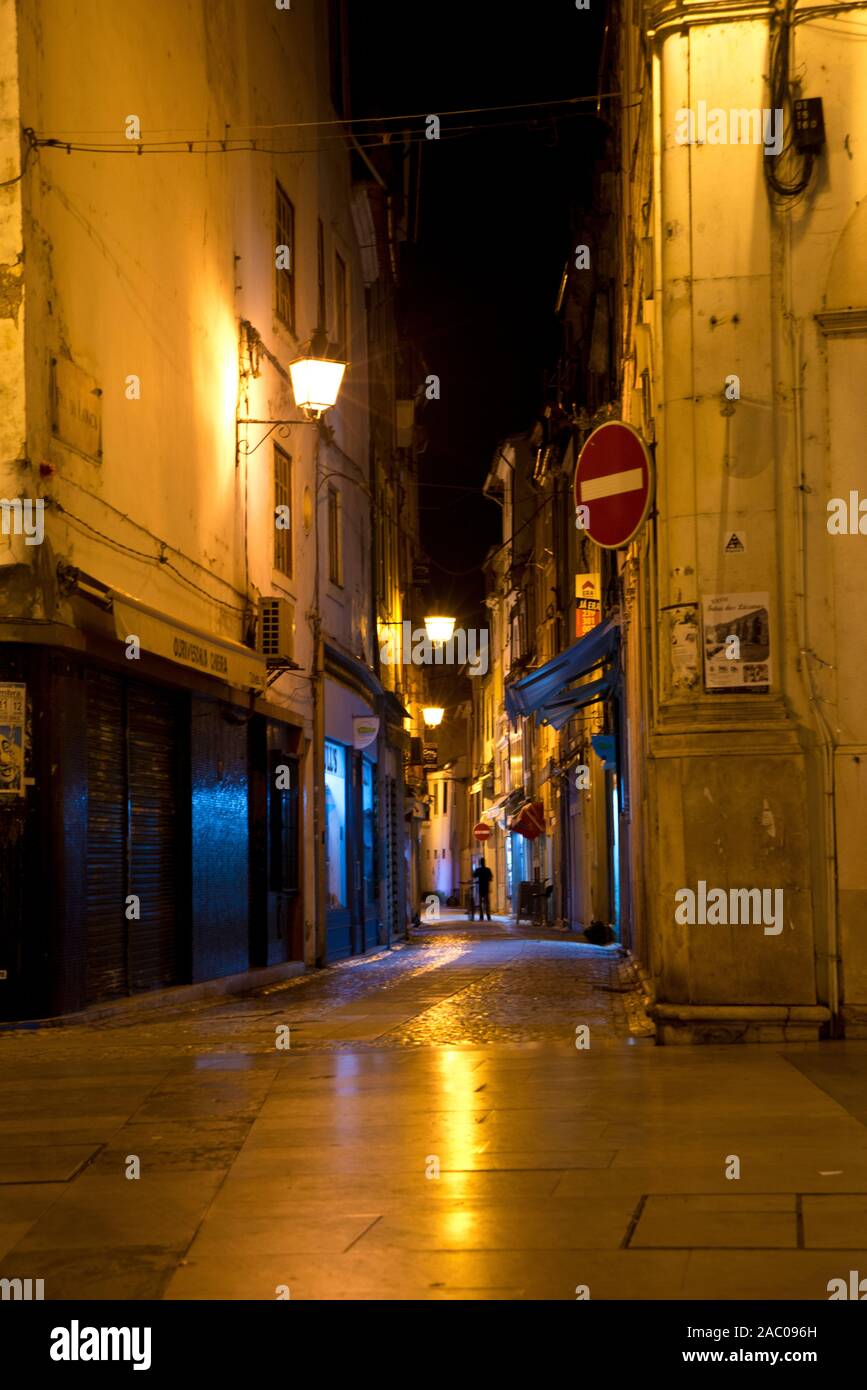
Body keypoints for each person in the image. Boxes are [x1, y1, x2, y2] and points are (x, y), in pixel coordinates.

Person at [472, 857, 493, 922]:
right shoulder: (488, 870)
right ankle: (488, 916)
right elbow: (491, 878)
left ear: (480, 863)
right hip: (486, 887)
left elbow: (474, 875)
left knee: (481, 902)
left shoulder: (478, 870)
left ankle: (481, 917)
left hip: (481, 888)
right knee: (487, 903)